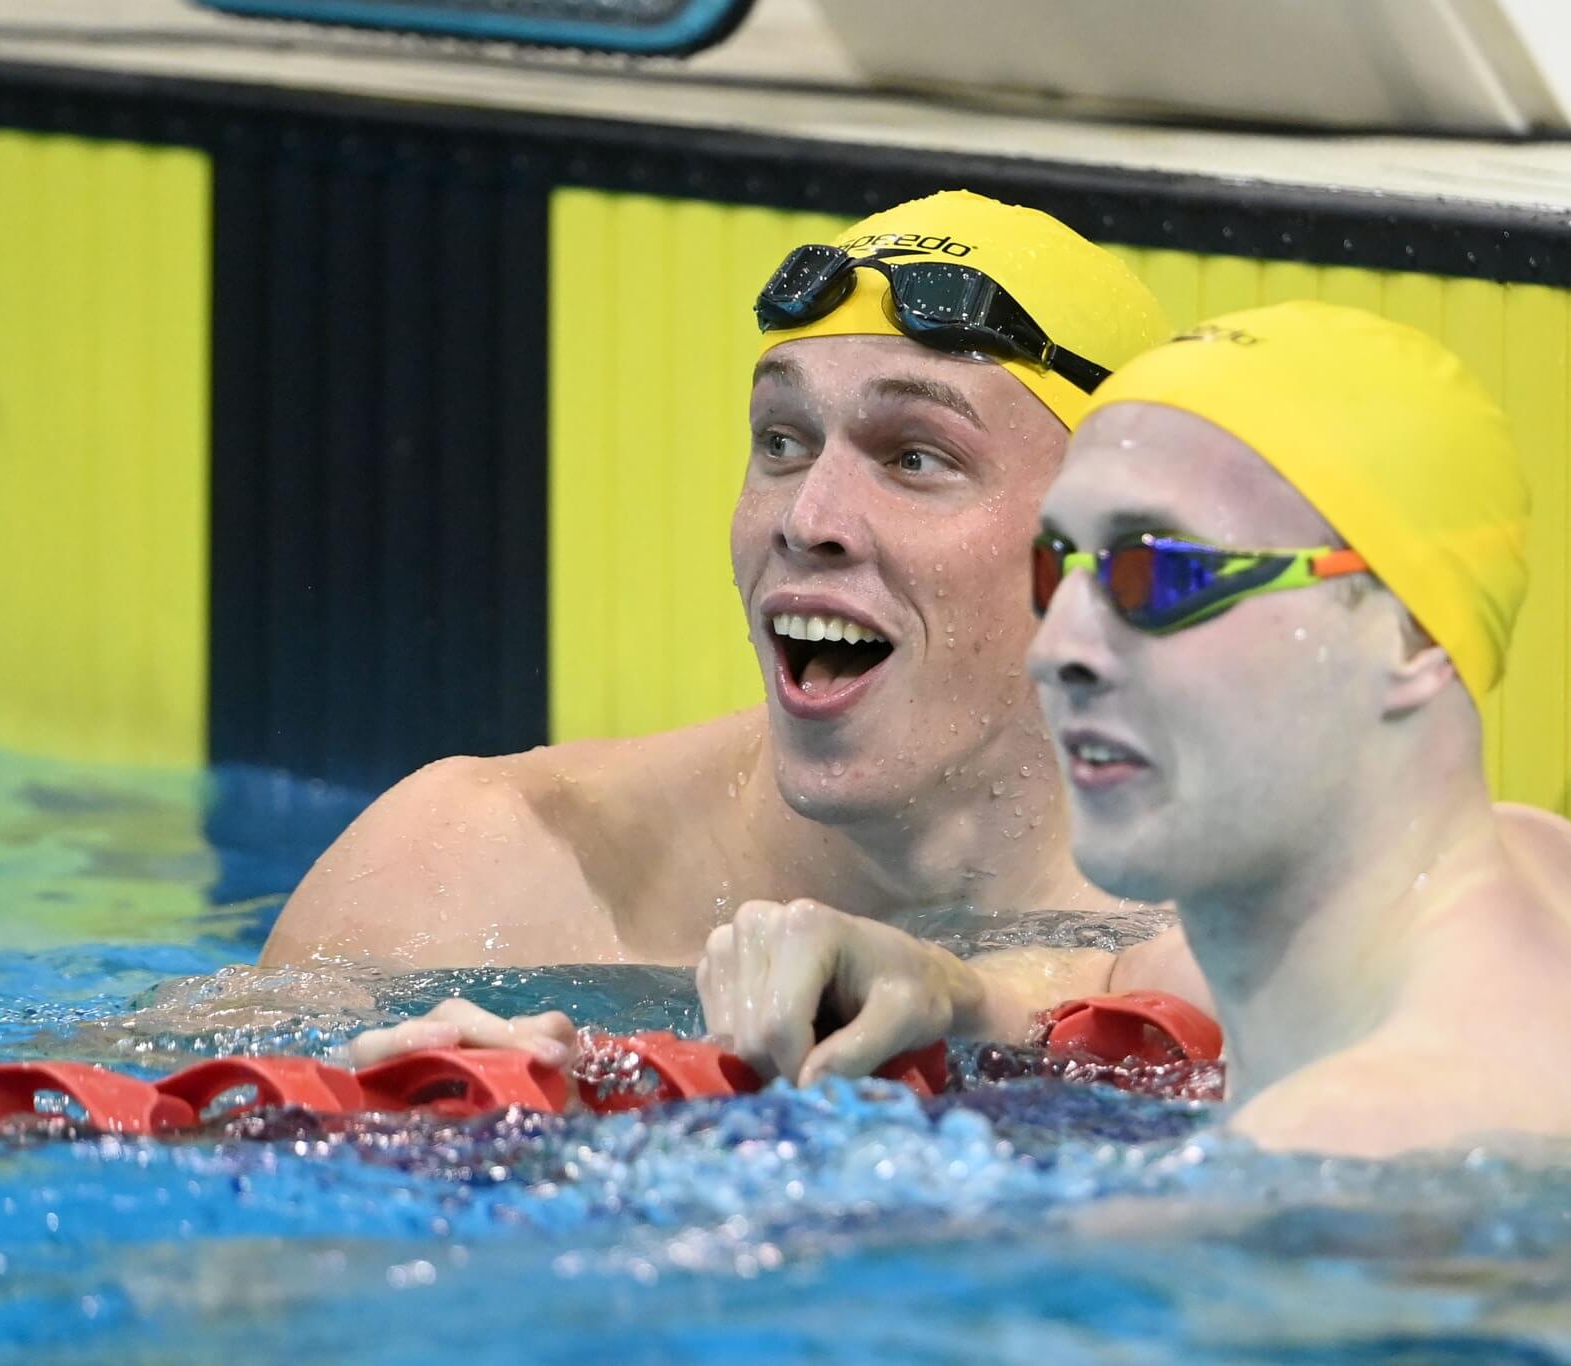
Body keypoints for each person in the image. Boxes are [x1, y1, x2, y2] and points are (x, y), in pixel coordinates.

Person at [688, 301, 1571, 1154]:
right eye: (1061, 565)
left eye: (1166, 574)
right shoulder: (1542, 874)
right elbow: (1159, 975)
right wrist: (954, 988)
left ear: (1407, 637)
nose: (1058, 644)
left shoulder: (1359, 1148)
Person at [265, 191, 1178, 1018]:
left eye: (914, 457)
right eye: (782, 441)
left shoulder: (1228, 931)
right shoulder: (474, 874)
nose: (809, 519)